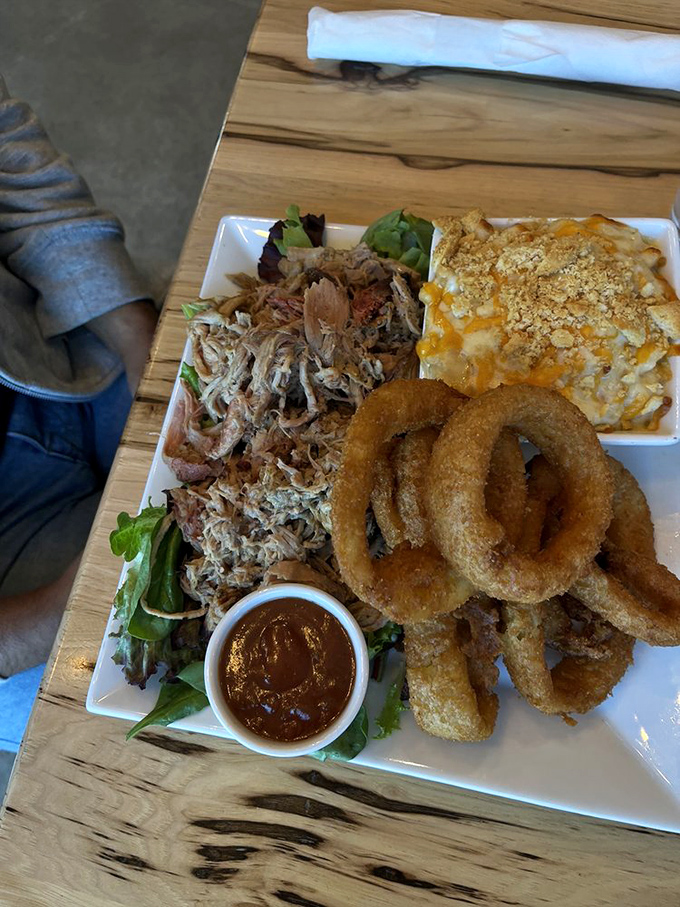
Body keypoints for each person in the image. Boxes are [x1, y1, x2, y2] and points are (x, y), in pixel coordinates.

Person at [0, 75, 157, 745]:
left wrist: (145, 355)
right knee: (133, 709)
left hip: (49, 349)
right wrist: (66, 604)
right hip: (13, 581)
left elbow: (18, 173)